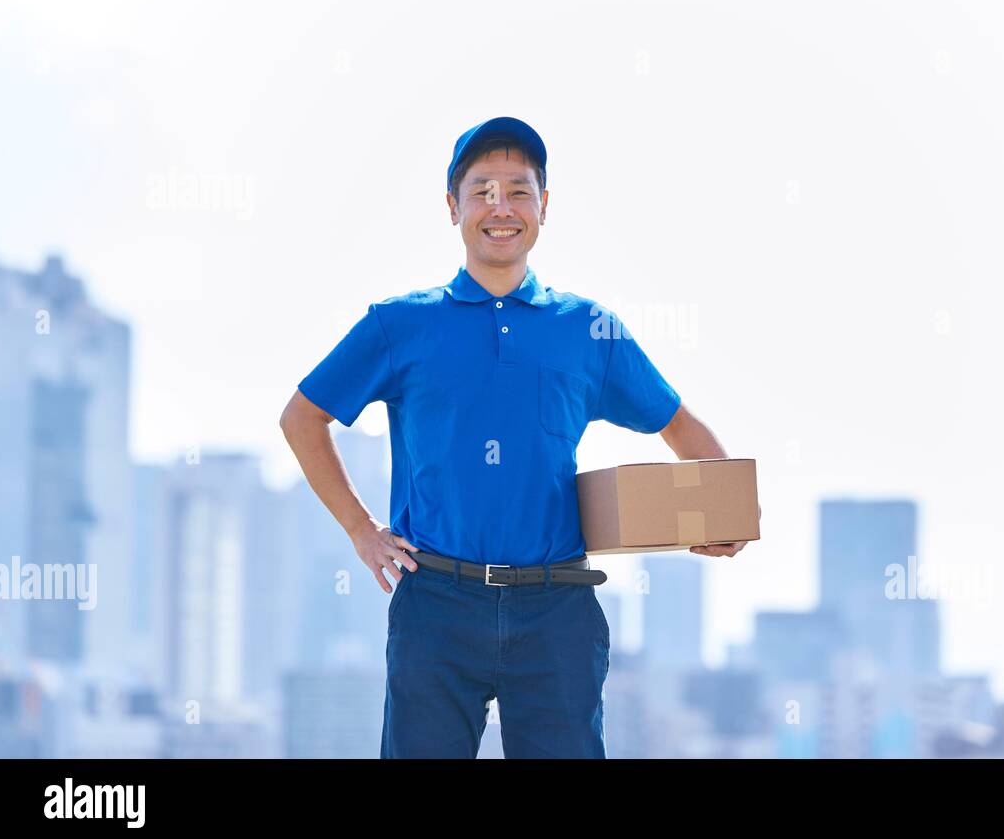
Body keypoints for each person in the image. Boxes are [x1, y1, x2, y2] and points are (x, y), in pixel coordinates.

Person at [279, 116, 748, 758]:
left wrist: (722, 509)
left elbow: (681, 424)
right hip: (436, 606)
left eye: (520, 190)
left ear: (545, 206)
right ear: (454, 208)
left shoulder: (588, 330)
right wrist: (362, 529)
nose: (502, 207)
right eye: (482, 190)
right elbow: (302, 418)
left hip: (556, 609)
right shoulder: (400, 325)